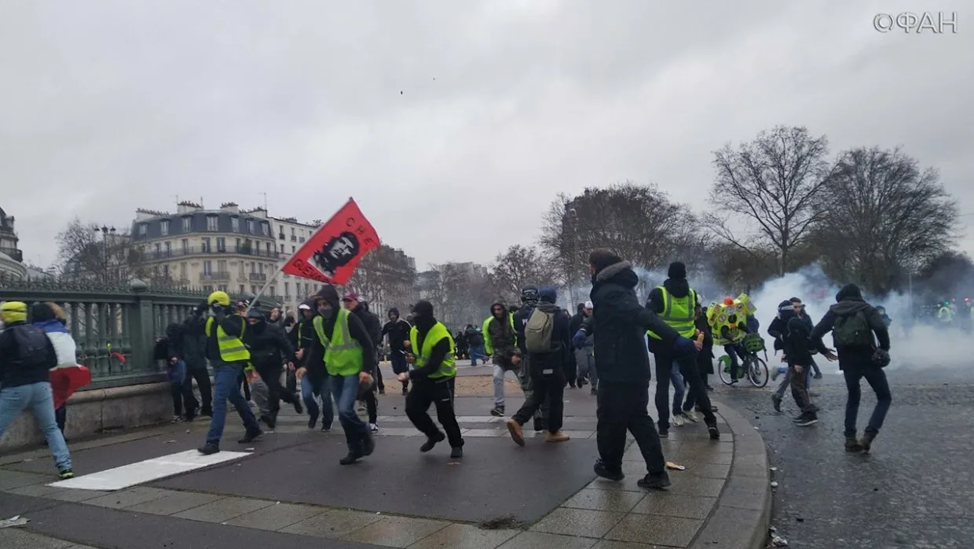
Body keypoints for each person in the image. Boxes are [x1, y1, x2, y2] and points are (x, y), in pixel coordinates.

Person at [574, 251, 708, 491]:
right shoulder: (620, 289)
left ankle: (611, 466)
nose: (589, 270)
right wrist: (585, 329)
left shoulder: (610, 291)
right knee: (637, 418)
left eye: (590, 266)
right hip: (631, 365)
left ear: (597, 267)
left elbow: (641, 315)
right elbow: (607, 317)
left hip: (618, 368)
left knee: (610, 419)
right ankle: (655, 472)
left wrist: (674, 337)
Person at [299, 285, 376, 465]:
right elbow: (317, 348)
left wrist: (366, 369)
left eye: (326, 303)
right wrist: (306, 367)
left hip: (352, 370)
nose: (323, 308)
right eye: (319, 304)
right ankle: (354, 449)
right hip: (333, 370)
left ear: (333, 303)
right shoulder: (318, 322)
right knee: (343, 416)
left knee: (344, 410)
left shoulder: (348, 318)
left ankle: (364, 430)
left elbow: (367, 344)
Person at [810, 284, 891, 453]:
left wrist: (824, 351)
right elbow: (881, 328)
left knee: (853, 398)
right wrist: (884, 348)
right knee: (884, 397)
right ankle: (869, 435)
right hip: (869, 359)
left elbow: (815, 334)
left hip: (847, 361)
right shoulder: (866, 308)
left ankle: (850, 439)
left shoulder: (834, 311)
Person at [0, 301, 74, 479]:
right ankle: (65, 466)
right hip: (42, 386)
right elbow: (53, 362)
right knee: (51, 428)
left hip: (15, 388)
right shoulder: (40, 333)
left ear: (6, 316)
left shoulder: (5, 338)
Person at [645, 262, 719, 438]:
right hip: (686, 343)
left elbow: (649, 317)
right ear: (685, 274)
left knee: (662, 386)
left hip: (661, 343)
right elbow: (695, 317)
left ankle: (663, 427)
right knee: (696, 382)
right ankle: (711, 422)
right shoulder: (692, 294)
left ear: (668, 274)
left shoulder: (659, 293)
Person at [198, 291, 262, 455]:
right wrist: (197, 311)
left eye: (215, 305)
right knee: (234, 396)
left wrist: (220, 313)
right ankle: (253, 427)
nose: (212, 309)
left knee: (219, 400)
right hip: (218, 364)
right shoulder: (211, 321)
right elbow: (192, 328)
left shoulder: (236, 319)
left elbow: (231, 330)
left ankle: (213, 441)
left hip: (231, 363)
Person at [505, 286, 571, 445]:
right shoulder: (559, 315)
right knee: (556, 398)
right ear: (554, 298)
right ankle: (553, 431)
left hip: (534, 363)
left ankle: (517, 420)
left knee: (538, 395)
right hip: (553, 363)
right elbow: (566, 344)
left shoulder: (532, 314)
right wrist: (567, 368)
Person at [398, 301, 464, 458]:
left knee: (445, 415)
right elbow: (419, 354)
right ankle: (434, 434)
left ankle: (456, 444)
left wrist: (409, 375)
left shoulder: (441, 335)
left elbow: (433, 365)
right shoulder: (414, 331)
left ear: (428, 317)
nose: (415, 321)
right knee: (412, 409)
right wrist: (412, 358)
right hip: (424, 379)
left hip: (442, 379)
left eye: (418, 317)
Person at [245, 308, 302, 429]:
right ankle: (291, 398)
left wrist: (291, 359)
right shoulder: (248, 332)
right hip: (258, 364)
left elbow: (285, 343)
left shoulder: (272, 330)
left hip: (273, 363)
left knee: (273, 387)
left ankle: (272, 414)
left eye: (254, 321)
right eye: (250, 321)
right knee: (274, 388)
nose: (252, 323)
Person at [32, 302, 75, 436]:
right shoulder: (60, 327)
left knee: (45, 401)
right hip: (67, 368)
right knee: (60, 401)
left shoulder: (34, 330)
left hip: (48, 370)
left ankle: (51, 433)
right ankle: (60, 432)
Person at [343, 292, 381, 432]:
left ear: (356, 302)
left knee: (367, 389)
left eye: (349, 301)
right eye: (345, 301)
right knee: (351, 391)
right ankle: (354, 419)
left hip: (365, 357)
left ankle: (373, 421)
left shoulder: (369, 318)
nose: (347, 304)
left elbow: (374, 337)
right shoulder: (344, 319)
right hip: (349, 359)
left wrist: (368, 358)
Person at [782, 315, 817, 426]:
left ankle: (809, 413)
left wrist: (796, 363)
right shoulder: (802, 335)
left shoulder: (797, 336)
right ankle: (805, 411)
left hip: (800, 365)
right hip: (802, 363)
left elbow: (798, 351)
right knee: (798, 388)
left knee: (798, 389)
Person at [483, 301, 517, 416]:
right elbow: (487, 339)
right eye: (495, 309)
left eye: (499, 309)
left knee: (525, 382)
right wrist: (488, 352)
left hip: (514, 355)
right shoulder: (488, 322)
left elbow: (517, 336)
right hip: (499, 356)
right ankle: (499, 405)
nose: (497, 312)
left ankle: (535, 405)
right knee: (497, 378)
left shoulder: (512, 318)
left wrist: (518, 353)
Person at [181, 302, 213, 417]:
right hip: (189, 361)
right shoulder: (188, 327)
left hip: (196, 361)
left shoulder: (200, 329)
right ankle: (194, 409)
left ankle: (203, 408)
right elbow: (191, 324)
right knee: (189, 388)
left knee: (203, 388)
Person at [382, 308, 412, 395]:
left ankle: (405, 387)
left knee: (403, 369)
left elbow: (412, 332)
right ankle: (404, 379)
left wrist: (408, 340)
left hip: (403, 351)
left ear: (397, 315)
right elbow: (381, 334)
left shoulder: (404, 323)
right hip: (393, 351)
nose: (392, 317)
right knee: (396, 370)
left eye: (394, 315)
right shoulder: (388, 325)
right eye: (391, 315)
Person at [573, 301, 597, 395]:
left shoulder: (596, 318)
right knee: (583, 366)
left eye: (591, 309)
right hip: (580, 346)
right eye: (588, 309)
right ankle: (580, 377)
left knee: (593, 366)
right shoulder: (577, 319)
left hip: (592, 346)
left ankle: (594, 387)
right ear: (584, 309)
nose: (590, 311)